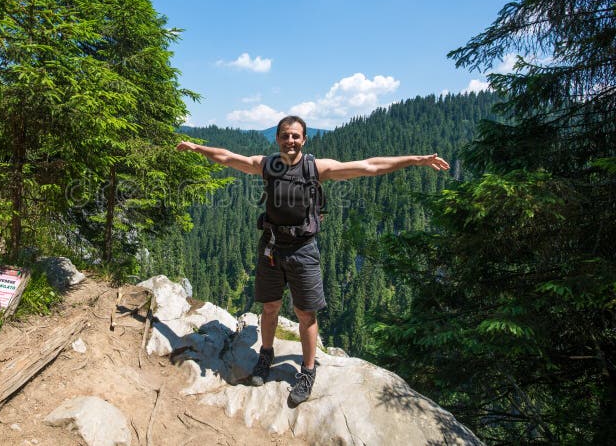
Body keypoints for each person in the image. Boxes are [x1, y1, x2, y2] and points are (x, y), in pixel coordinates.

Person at [176, 115, 449, 406]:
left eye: (295, 136)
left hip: (303, 249)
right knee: (269, 307)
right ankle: (265, 355)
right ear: (278, 139)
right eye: (285, 136)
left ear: (304, 139)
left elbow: (369, 166)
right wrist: (196, 148)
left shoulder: (315, 168)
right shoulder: (268, 165)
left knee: (306, 313)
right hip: (271, 245)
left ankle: (307, 371)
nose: (290, 141)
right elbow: (228, 158)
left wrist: (416, 160)